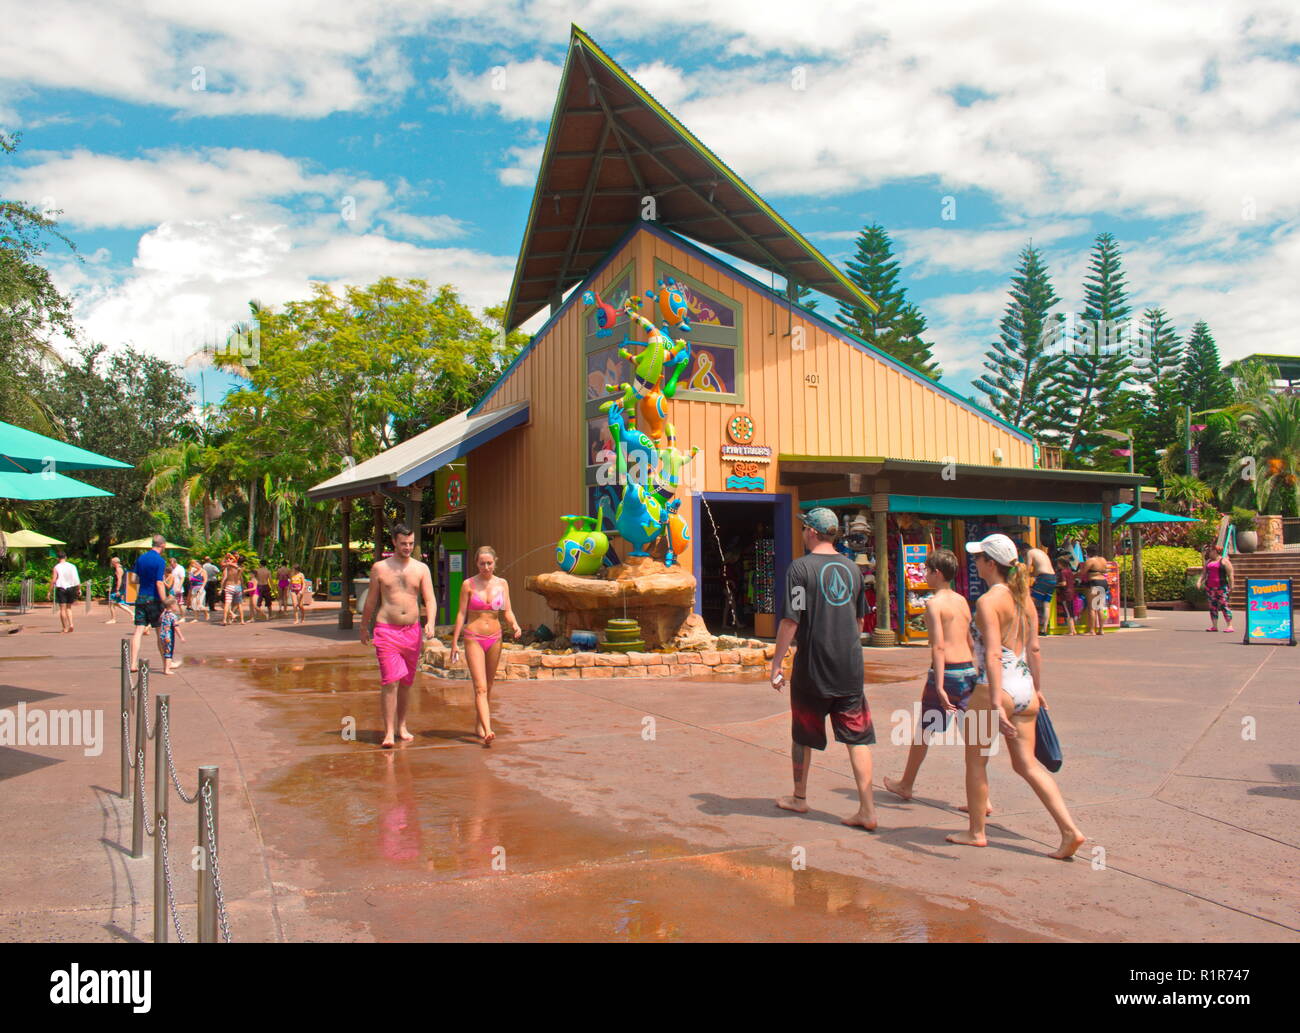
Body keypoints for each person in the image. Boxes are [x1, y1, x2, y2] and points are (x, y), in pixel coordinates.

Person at [946, 533, 1085, 860]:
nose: (975, 562)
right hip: (1024, 686)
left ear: (990, 564)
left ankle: (976, 831)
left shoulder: (987, 601)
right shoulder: (1025, 599)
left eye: (978, 558)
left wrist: (994, 700)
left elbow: (992, 654)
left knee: (976, 761)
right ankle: (1069, 830)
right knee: (1027, 764)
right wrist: (1037, 689)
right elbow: (1034, 649)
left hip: (995, 687)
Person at [767, 507, 877, 830]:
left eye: (804, 529)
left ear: (813, 533)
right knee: (858, 739)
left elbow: (791, 619)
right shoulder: (852, 569)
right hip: (850, 669)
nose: (802, 533)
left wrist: (777, 663)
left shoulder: (799, 569)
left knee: (802, 732)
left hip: (813, 668)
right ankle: (867, 809)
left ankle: (799, 798)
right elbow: (858, 622)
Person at [884, 549, 984, 808]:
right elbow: (970, 640)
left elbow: (938, 646)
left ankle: (906, 784)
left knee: (924, 730)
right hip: (968, 670)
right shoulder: (961, 600)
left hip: (947, 671)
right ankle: (983, 799)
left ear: (936, 573)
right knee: (974, 735)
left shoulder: (933, 603)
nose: (925, 574)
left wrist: (938, 684)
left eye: (927, 570)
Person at [360, 525, 437, 749]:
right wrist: (364, 626)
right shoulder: (380, 568)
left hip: (412, 631)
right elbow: (372, 600)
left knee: (406, 682)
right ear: (394, 541)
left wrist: (430, 622)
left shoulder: (421, 568)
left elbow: (430, 599)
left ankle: (402, 726)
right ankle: (388, 732)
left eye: (411, 544)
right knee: (390, 681)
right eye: (403, 543)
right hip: (386, 630)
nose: (407, 547)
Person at [450, 545, 522, 747]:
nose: (486, 567)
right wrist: (454, 642)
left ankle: (479, 724)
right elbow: (461, 614)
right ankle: (488, 730)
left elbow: (507, 610)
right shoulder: (468, 584)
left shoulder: (502, 584)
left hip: (495, 637)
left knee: (488, 685)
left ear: (495, 562)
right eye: (482, 563)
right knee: (480, 687)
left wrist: (514, 625)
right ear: (476, 564)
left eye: (489, 563)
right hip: (473, 637)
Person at [129, 535, 169, 673]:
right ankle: (166, 665)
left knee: (138, 630)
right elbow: (159, 583)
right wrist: (165, 601)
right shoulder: (160, 561)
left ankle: (133, 663)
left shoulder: (141, 558)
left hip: (141, 597)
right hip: (154, 599)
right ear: (162, 545)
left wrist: (145, 581)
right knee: (160, 632)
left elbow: (133, 579)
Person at [1023, 540, 1057, 635]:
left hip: (1044, 578)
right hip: (1052, 577)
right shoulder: (1039, 551)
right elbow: (1037, 571)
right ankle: (1044, 629)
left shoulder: (1030, 552)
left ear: (1024, 550)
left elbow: (1027, 567)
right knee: (1046, 604)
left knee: (1030, 601)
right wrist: (1031, 575)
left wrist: (1024, 581)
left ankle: (1030, 628)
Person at [1199, 544, 1235, 633]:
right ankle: (1214, 626)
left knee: (1224, 606)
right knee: (1212, 606)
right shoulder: (1208, 562)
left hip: (1221, 587)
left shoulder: (1224, 561)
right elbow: (1204, 573)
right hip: (1210, 587)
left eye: (1211, 551)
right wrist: (1199, 582)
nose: (1209, 553)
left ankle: (1229, 625)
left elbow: (1230, 574)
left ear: (1215, 551)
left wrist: (1231, 586)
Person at [1079, 544, 1109, 636]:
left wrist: (1074, 575)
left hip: (1094, 582)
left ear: (1088, 552)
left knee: (1092, 608)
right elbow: (1105, 570)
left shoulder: (1090, 561)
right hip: (1103, 582)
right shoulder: (1103, 560)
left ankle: (1091, 630)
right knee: (1100, 607)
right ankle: (1101, 629)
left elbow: (1083, 573)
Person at [49, 551, 81, 634]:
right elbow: (76, 579)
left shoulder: (56, 567)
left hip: (61, 588)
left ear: (57, 558)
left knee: (62, 609)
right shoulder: (72, 566)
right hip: (71, 588)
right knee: (69, 608)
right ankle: (71, 624)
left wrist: (49, 591)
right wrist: (79, 589)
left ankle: (64, 628)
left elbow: (54, 580)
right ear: (65, 557)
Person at [158, 595, 186, 675]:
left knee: (165, 651)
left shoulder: (163, 615)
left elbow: (159, 620)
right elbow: (176, 627)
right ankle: (167, 669)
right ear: (172, 606)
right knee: (169, 653)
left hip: (162, 635)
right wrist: (181, 637)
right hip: (169, 637)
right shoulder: (173, 616)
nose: (177, 607)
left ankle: (166, 667)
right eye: (176, 605)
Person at [1054, 552, 1079, 636]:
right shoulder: (1069, 571)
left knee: (1068, 612)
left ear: (1061, 564)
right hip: (1071, 592)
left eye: (1058, 564)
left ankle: (1071, 630)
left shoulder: (1063, 572)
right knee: (1071, 612)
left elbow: (1064, 583)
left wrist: (1057, 584)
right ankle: (1073, 629)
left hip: (1065, 593)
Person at [104, 555, 131, 624]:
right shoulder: (121, 568)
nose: (111, 563)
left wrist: (117, 590)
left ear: (115, 562)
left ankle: (113, 619)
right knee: (117, 603)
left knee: (111, 603)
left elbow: (119, 580)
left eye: (112, 562)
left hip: (118, 588)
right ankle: (132, 614)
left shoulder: (118, 569)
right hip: (119, 588)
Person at [221, 553, 245, 625]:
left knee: (227, 604)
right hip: (238, 586)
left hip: (229, 586)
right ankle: (242, 620)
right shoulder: (240, 567)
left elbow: (222, 564)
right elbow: (241, 579)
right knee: (239, 604)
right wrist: (243, 588)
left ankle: (224, 620)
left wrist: (226, 557)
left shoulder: (229, 567)